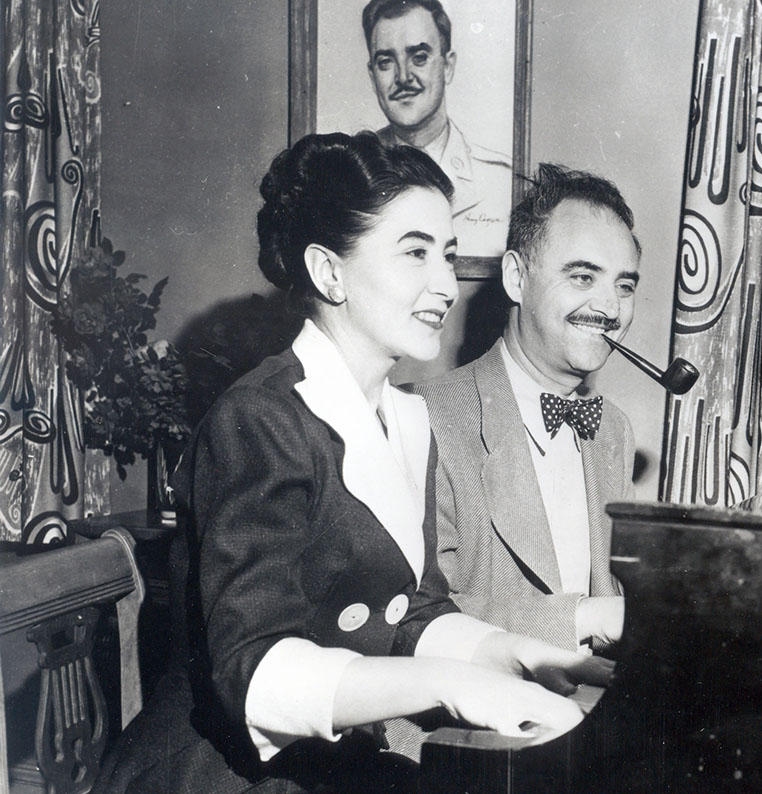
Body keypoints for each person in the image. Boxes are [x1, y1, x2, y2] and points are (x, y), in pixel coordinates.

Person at [93, 133, 610, 794]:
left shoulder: (408, 417)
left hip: (324, 763)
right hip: (217, 774)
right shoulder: (259, 418)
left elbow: (412, 612)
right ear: (329, 272)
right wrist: (451, 685)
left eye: (448, 255)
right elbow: (255, 672)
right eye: (415, 252)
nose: (446, 285)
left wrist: (520, 654)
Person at [413, 164, 640, 653]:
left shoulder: (613, 430)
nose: (610, 308)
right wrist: (584, 618)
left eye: (624, 286)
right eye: (583, 276)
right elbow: (415, 619)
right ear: (516, 278)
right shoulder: (422, 418)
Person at [361, 0, 513, 258]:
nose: (403, 77)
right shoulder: (348, 175)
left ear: (447, 66)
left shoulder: (502, 181)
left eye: (419, 58)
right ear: (372, 77)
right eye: (386, 62)